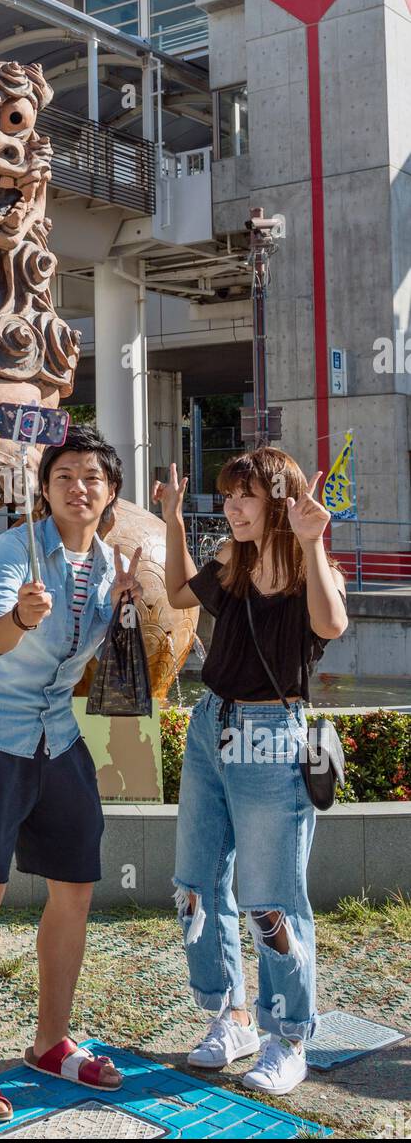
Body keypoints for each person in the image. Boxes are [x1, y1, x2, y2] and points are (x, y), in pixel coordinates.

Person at [0, 424, 144, 1123]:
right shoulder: (12, 550)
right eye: (64, 477)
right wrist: (19, 618)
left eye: (91, 478)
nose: (78, 488)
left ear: (110, 492)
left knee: (75, 888)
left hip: (57, 736)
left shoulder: (113, 565)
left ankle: (50, 1041)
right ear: (45, 491)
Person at [155, 447, 347, 1095]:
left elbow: (331, 622)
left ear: (278, 501)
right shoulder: (230, 561)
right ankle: (229, 1014)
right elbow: (177, 592)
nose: (231, 507)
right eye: (228, 496)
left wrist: (311, 542)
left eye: (244, 496)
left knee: (270, 899)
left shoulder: (305, 572)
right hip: (211, 725)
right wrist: (172, 521)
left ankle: (286, 1036)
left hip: (271, 737)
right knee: (194, 884)